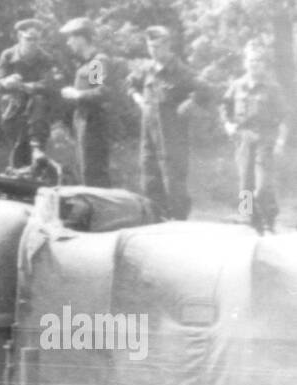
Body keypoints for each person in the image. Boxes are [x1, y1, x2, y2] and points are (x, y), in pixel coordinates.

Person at [126, 26, 211, 220]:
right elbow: (130, 83)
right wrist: (138, 99)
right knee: (150, 180)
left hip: (172, 136)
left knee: (173, 182)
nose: (153, 51)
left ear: (168, 46)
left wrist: (189, 103)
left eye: (157, 46)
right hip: (149, 135)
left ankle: (179, 224)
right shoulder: (147, 69)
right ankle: (157, 223)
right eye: (150, 46)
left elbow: (205, 89)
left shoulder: (180, 71)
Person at [221, 41, 289, 234]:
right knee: (245, 181)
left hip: (264, 139)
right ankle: (247, 219)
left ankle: (268, 220)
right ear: (245, 62)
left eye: (259, 60)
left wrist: (281, 141)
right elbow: (224, 106)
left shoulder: (272, 87)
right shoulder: (237, 85)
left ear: (264, 64)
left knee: (262, 184)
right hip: (242, 139)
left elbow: (284, 116)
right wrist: (228, 124)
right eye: (251, 60)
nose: (254, 64)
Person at [0, 19, 62, 171]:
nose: (32, 43)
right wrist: (6, 82)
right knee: (18, 146)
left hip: (37, 113)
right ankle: (20, 175)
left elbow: (50, 85)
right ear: (19, 37)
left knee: (34, 148)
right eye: (28, 38)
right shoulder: (8, 55)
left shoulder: (45, 58)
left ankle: (32, 166)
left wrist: (31, 86)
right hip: (13, 109)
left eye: (36, 39)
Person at [59, 18, 113, 187]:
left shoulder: (97, 61)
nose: (68, 42)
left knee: (93, 171)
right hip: (83, 121)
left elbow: (101, 92)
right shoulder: (87, 63)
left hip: (93, 123)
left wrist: (76, 94)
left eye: (71, 37)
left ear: (82, 38)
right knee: (84, 169)